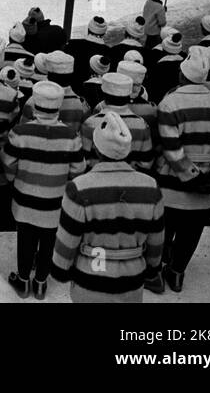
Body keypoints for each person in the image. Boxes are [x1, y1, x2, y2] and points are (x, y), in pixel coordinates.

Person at [152, 53, 210, 294]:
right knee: (191, 232)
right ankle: (178, 272)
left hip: (172, 181)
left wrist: (191, 175)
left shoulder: (169, 104)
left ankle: (158, 270)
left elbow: (171, 147)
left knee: (166, 228)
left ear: (182, 75)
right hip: (208, 183)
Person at [51, 112, 164, 302]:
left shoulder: (79, 188)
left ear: (96, 148)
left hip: (91, 275)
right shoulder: (151, 187)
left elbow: (67, 239)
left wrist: (60, 270)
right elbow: (156, 241)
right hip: (132, 277)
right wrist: (152, 268)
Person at [1, 81, 86, 299]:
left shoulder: (20, 132)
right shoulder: (71, 137)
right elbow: (78, 170)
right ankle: (41, 283)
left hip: (25, 197)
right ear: (58, 107)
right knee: (49, 241)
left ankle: (23, 280)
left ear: (35, 105)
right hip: (55, 200)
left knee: (25, 238)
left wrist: (13, 179)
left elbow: (9, 163)